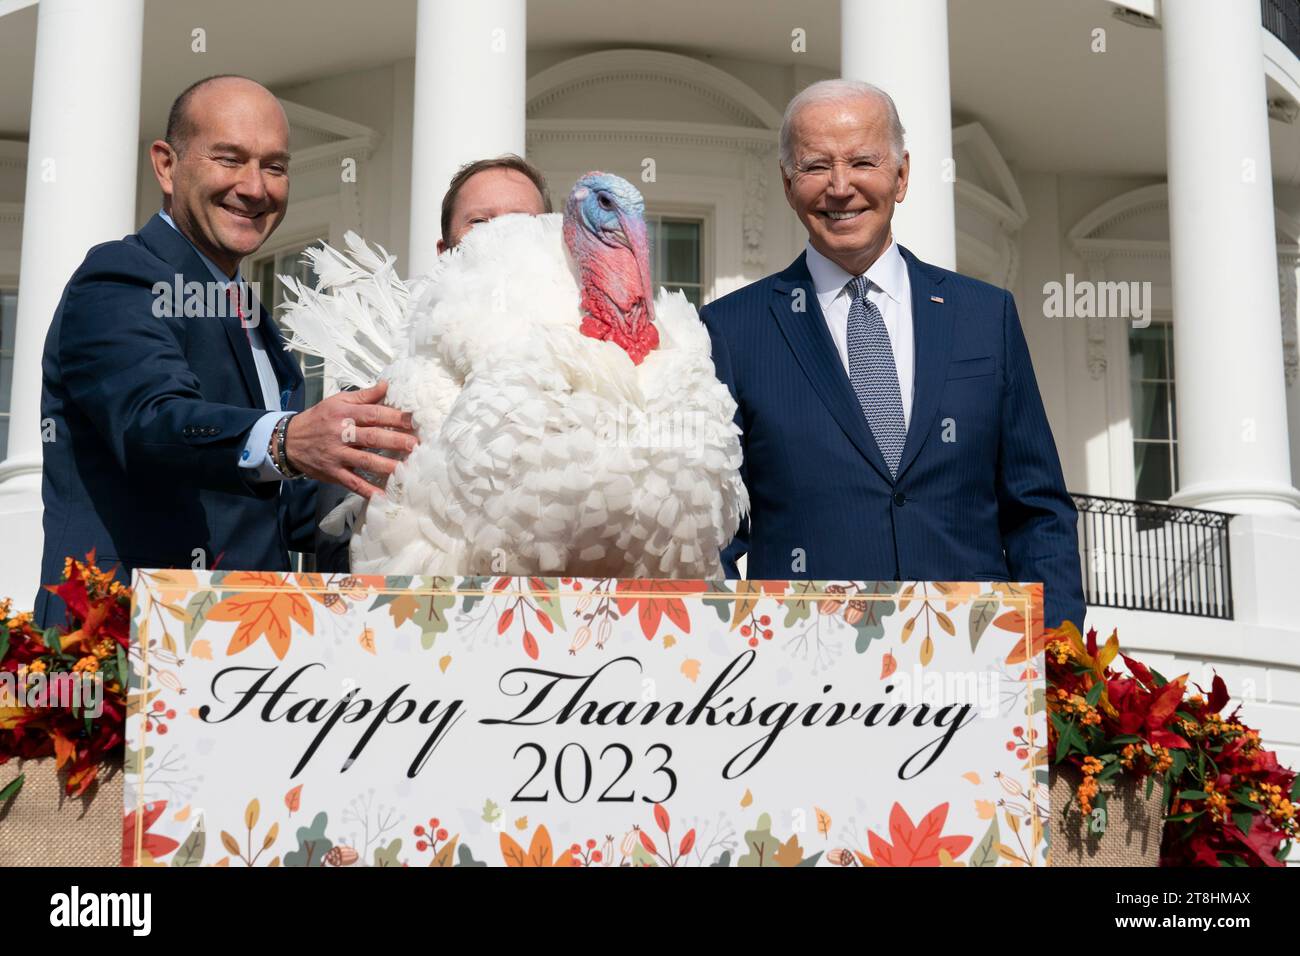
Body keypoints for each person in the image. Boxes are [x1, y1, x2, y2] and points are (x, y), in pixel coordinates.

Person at [700, 79, 1085, 630]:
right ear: (788, 184)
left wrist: (1056, 651)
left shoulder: (984, 315)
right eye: (815, 166)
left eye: (862, 161)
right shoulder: (731, 330)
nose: (840, 187)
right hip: (808, 676)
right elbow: (714, 529)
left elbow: (1038, 511)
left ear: (901, 176)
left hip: (977, 666)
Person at [36, 74, 415, 626]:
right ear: (167, 165)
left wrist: (391, 477)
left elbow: (279, 511)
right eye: (229, 159)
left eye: (275, 167)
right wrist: (289, 439)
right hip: (123, 642)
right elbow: (152, 423)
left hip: (240, 651)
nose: (255, 187)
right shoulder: (121, 277)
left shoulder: (251, 320)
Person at [313, 154, 552, 571]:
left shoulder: (605, 375)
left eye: (522, 221)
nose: (503, 237)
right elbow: (340, 546)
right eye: (480, 222)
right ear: (445, 252)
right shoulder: (379, 391)